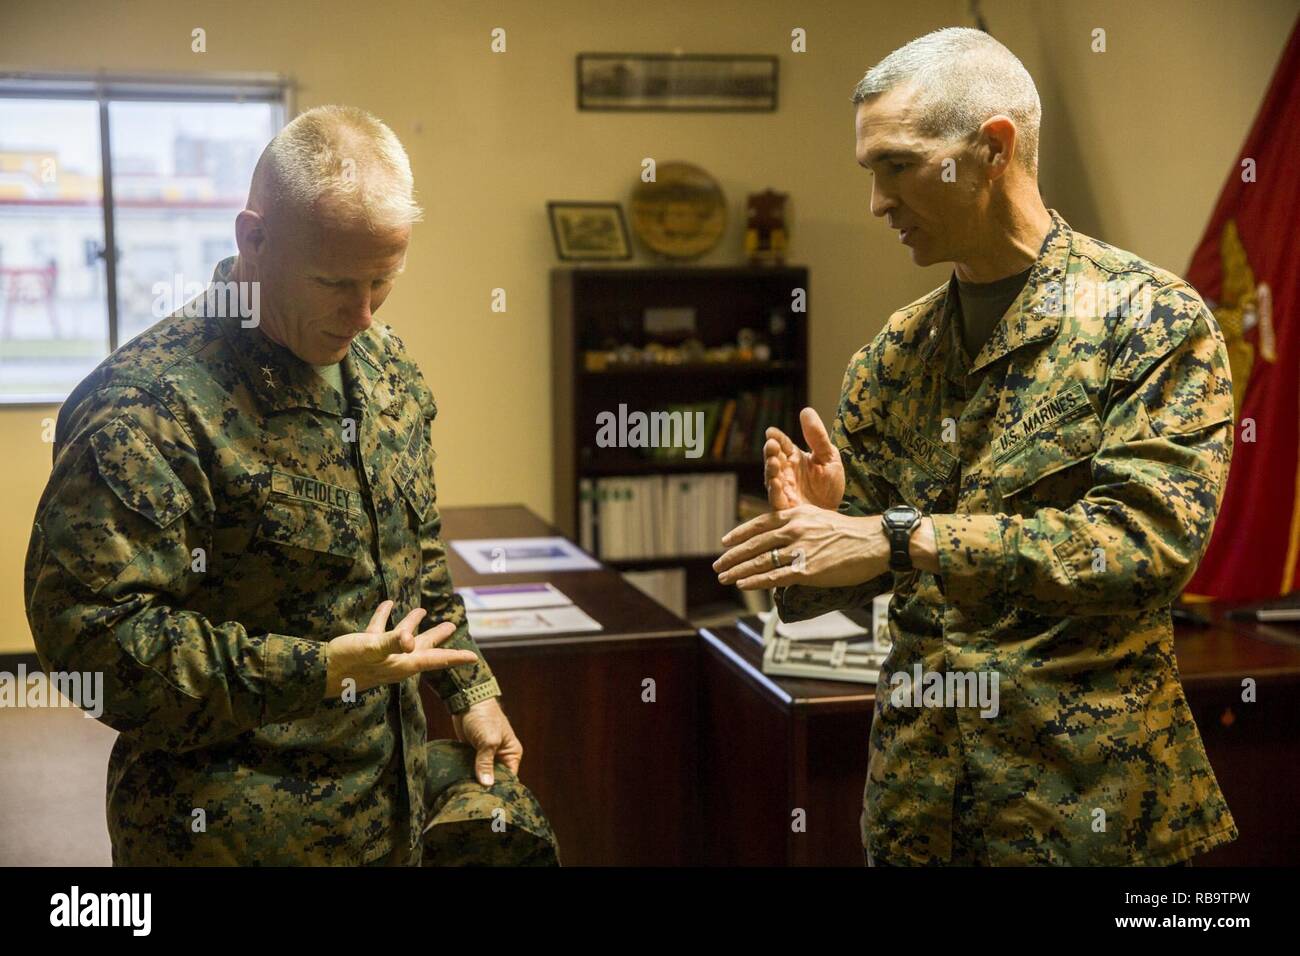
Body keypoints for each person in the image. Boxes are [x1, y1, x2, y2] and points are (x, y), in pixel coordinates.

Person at [713, 28, 1236, 866]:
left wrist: (894, 534)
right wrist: (822, 530)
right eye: (869, 173)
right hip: (919, 810)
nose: (877, 202)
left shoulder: (1152, 322)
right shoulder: (894, 353)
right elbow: (869, 569)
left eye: (896, 166)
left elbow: (1147, 546)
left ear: (993, 148)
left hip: (1087, 811)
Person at [24, 105, 558, 866]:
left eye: (385, 279)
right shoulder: (147, 408)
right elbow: (93, 645)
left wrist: (471, 691)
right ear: (253, 238)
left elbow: (413, 554)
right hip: (227, 835)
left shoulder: (383, 366)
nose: (364, 313)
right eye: (337, 282)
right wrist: (320, 669)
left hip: (388, 810)